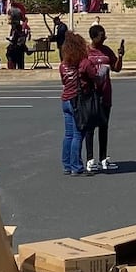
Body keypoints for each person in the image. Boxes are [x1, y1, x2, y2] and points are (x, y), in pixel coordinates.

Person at [85, 24, 121, 172]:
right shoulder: (86, 51)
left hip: (105, 94)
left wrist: (120, 56)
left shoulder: (106, 51)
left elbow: (116, 68)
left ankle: (103, 158)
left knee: (104, 127)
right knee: (89, 128)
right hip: (91, 95)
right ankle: (89, 159)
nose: (104, 37)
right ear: (94, 37)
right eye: (102, 35)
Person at [57, 31, 94, 176]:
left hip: (65, 99)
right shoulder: (82, 63)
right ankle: (76, 166)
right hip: (77, 100)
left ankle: (67, 164)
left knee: (69, 134)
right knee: (78, 134)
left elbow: (64, 82)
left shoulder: (63, 66)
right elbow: (95, 76)